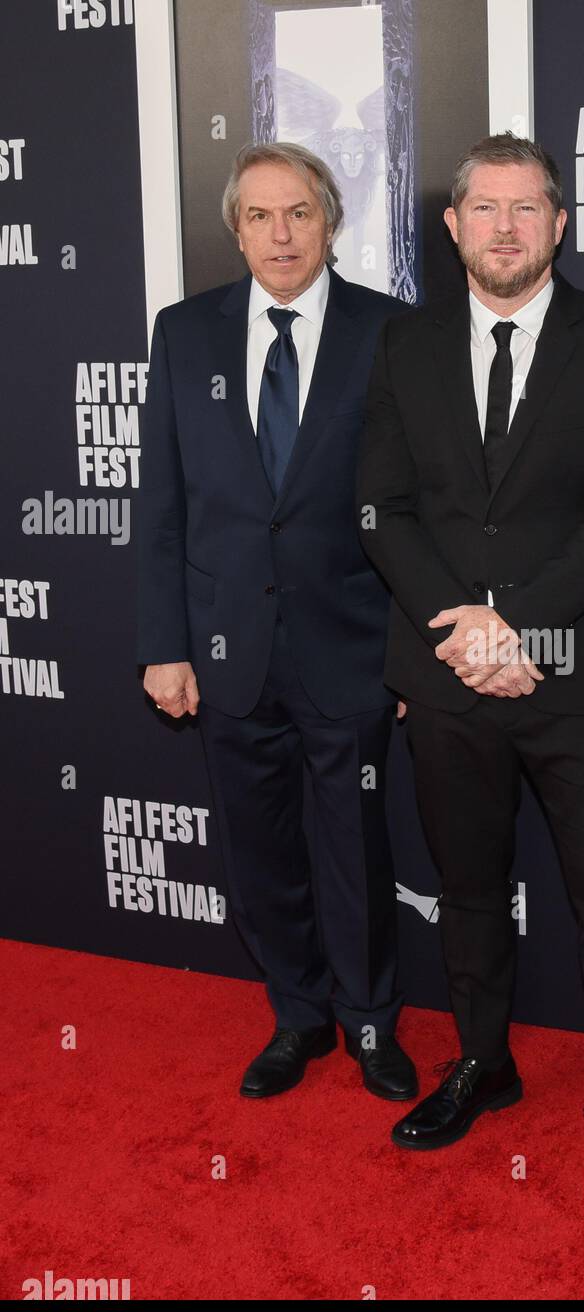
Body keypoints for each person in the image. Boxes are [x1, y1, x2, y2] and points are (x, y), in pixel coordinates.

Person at [358, 134, 584, 1216]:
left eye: (523, 208)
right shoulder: (403, 345)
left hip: (571, 674)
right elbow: (382, 507)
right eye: (481, 207)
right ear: (450, 227)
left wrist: (514, 624)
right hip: (443, 675)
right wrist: (464, 635)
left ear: (559, 222)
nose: (502, 227)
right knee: (467, 888)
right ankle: (483, 1064)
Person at [137, 142, 417, 1104]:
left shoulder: (391, 333)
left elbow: (421, 507)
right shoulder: (184, 335)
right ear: (236, 230)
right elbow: (163, 505)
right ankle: (299, 1018)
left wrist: (414, 651)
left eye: (298, 212)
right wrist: (165, 644)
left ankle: (372, 1021)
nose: (281, 234)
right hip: (227, 652)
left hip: (353, 644)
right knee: (259, 851)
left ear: (331, 221)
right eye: (259, 217)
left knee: (356, 848)